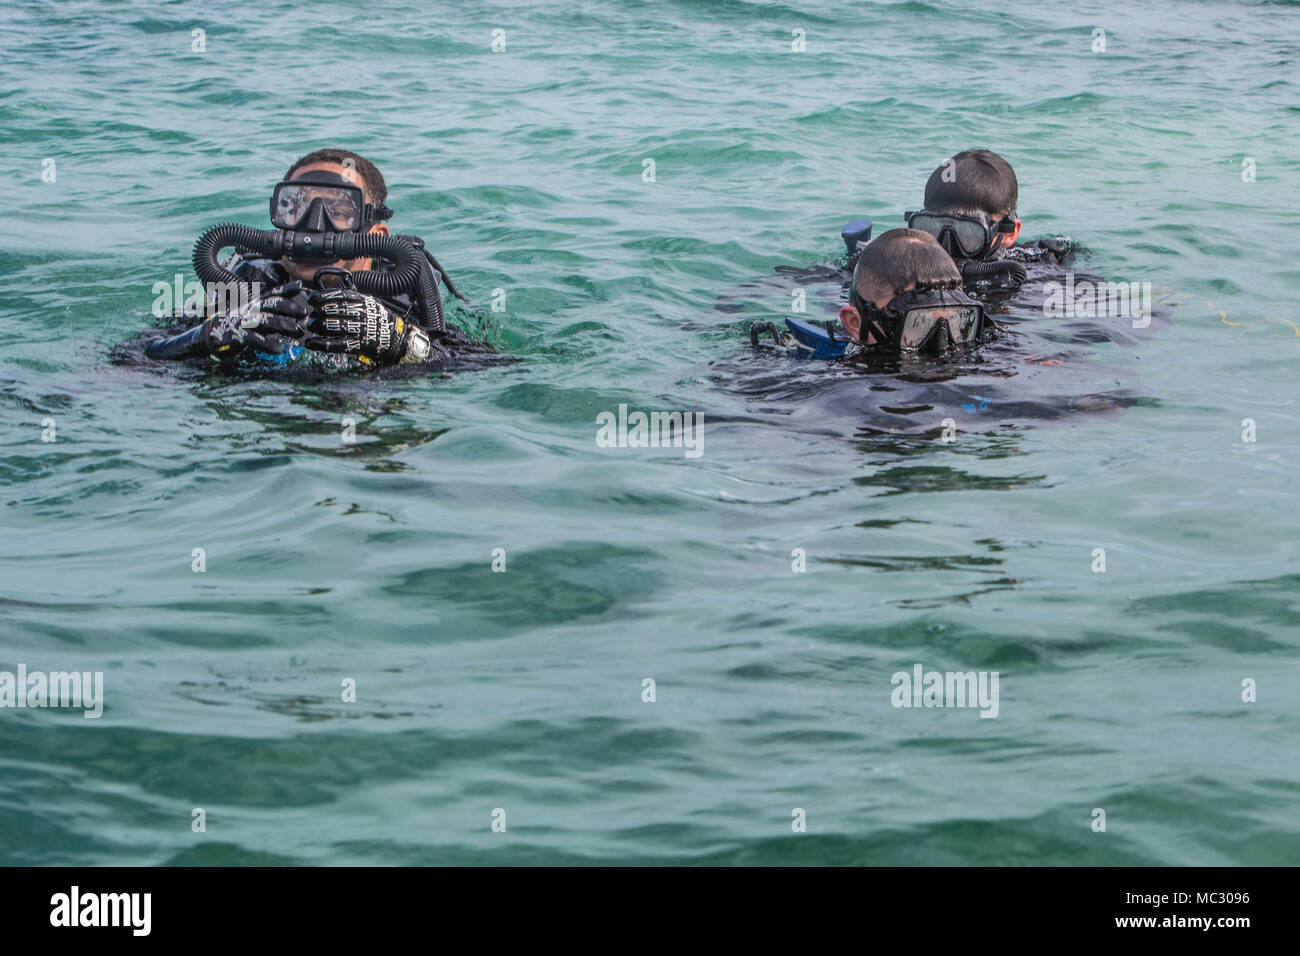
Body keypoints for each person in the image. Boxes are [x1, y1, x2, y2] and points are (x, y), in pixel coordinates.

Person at [145, 149, 474, 368]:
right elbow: (132, 361)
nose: (314, 225)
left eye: (339, 211)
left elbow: (483, 371)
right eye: (296, 207)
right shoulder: (246, 283)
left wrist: (401, 342)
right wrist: (208, 336)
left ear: (377, 238)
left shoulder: (401, 293)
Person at [752, 229, 990, 358]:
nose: (944, 347)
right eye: (918, 324)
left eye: (959, 323)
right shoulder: (828, 382)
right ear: (854, 322)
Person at [903, 149, 1027, 290]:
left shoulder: (1024, 282)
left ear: (1009, 234)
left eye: (968, 232)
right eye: (932, 229)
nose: (947, 248)